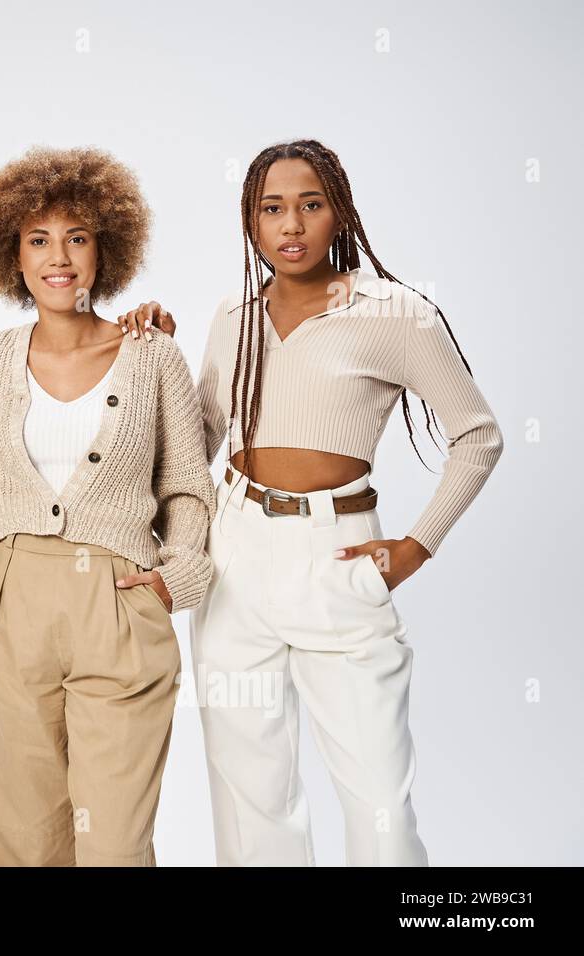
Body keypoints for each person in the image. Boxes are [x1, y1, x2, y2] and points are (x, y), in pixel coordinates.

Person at [120, 139, 504, 866]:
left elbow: (477, 437)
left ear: (340, 215)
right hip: (234, 555)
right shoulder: (234, 316)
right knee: (250, 794)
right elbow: (197, 436)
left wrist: (415, 547)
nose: (290, 224)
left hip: (339, 556)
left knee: (380, 801)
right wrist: (155, 357)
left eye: (310, 204)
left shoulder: (397, 313)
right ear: (252, 224)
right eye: (272, 208)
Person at [0, 146, 216, 866]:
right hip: (9, 604)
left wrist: (175, 576)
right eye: (38, 240)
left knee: (115, 846)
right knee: (20, 840)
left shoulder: (151, 355)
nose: (58, 257)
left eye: (77, 237)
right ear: (13, 254)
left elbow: (187, 483)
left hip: (121, 601)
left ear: (105, 249)